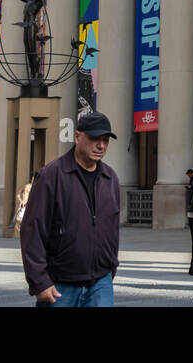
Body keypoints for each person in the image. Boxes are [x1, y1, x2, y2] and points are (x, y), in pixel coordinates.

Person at [21, 111, 121, 307]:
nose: (101, 146)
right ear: (77, 137)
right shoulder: (51, 176)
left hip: (101, 282)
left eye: (105, 140)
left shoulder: (110, 178)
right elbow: (33, 230)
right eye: (94, 138)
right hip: (60, 283)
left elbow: (112, 228)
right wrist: (39, 281)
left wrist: (110, 268)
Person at [12, 172, 37, 239]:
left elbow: (20, 195)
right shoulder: (29, 187)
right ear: (32, 178)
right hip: (28, 207)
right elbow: (23, 196)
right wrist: (22, 203)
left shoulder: (31, 186)